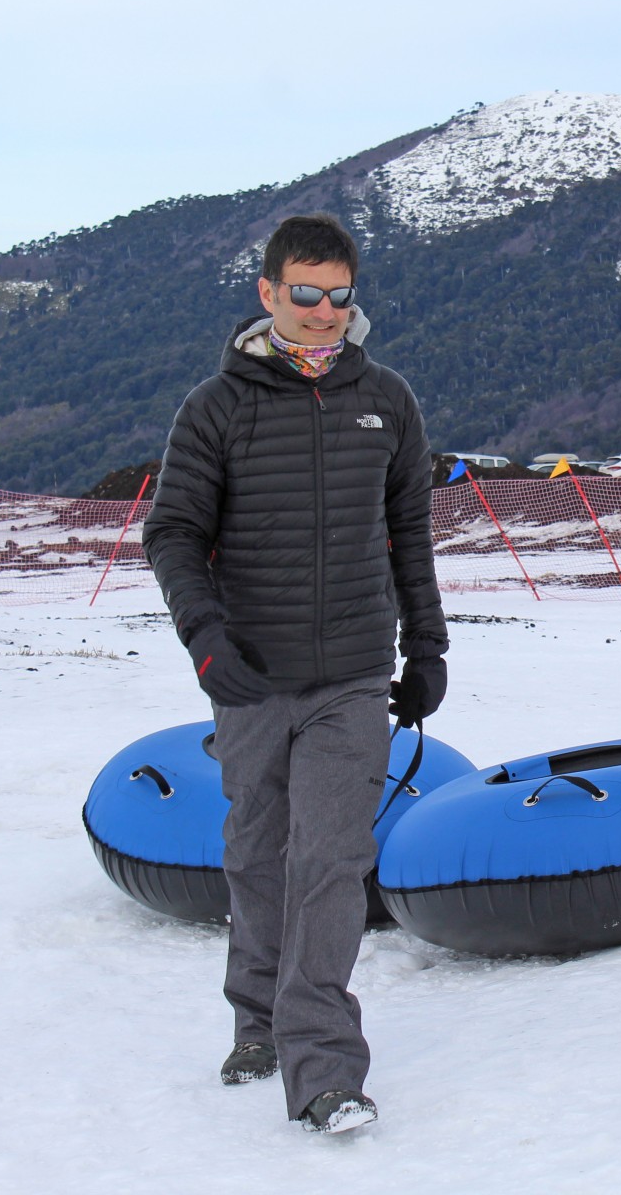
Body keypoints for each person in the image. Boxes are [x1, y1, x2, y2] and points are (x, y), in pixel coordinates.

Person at [142, 214, 448, 1133]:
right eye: (305, 294)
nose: (323, 312)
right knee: (257, 850)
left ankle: (324, 1071)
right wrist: (206, 643)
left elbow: (411, 535)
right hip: (250, 673)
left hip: (353, 671)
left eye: (340, 295)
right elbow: (174, 533)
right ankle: (256, 1019)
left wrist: (426, 647)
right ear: (269, 292)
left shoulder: (386, 399)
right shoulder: (217, 407)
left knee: (331, 858)